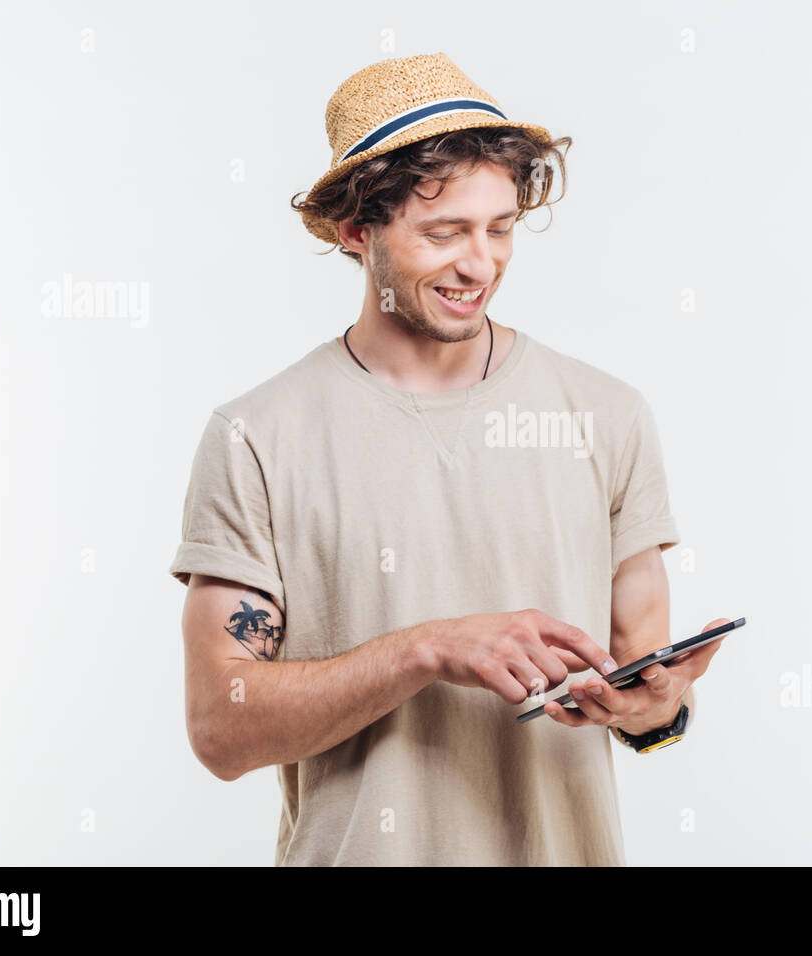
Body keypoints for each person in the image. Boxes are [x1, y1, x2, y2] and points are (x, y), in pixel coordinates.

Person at [168, 51, 729, 866]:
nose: (481, 264)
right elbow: (221, 729)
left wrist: (654, 709)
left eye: (500, 228)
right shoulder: (256, 436)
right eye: (444, 233)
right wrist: (426, 649)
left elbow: (643, 693)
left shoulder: (607, 415)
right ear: (354, 231)